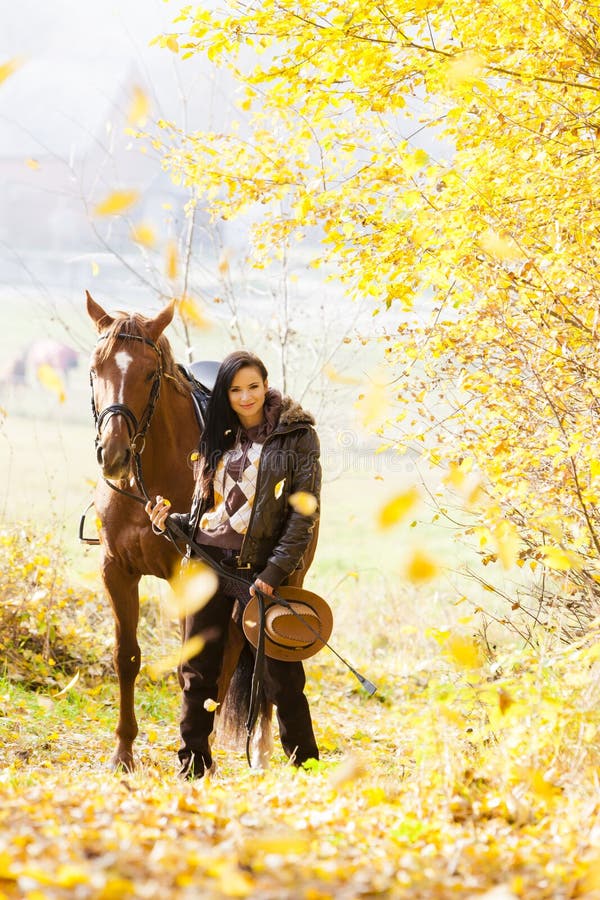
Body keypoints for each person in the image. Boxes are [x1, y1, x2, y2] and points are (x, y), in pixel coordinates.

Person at [145, 350, 321, 778]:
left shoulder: (296, 437)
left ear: (266, 385)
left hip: (259, 571)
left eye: (253, 387)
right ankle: (193, 765)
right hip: (206, 563)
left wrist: (272, 574)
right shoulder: (217, 436)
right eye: (236, 389)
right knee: (198, 670)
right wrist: (170, 523)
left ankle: (307, 767)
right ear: (225, 392)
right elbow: (211, 514)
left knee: (282, 673)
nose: (246, 397)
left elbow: (303, 517)